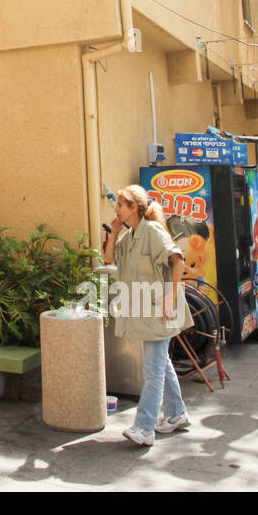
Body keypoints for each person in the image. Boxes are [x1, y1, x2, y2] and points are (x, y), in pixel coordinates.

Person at [102, 184, 193, 447]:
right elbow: (110, 261)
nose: (116, 209)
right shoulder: (128, 237)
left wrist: (170, 297)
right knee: (160, 364)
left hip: (158, 310)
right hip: (142, 311)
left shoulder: (152, 231)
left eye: (120, 204)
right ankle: (177, 413)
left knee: (153, 371)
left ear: (134, 208)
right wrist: (114, 233)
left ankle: (144, 427)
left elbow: (178, 260)